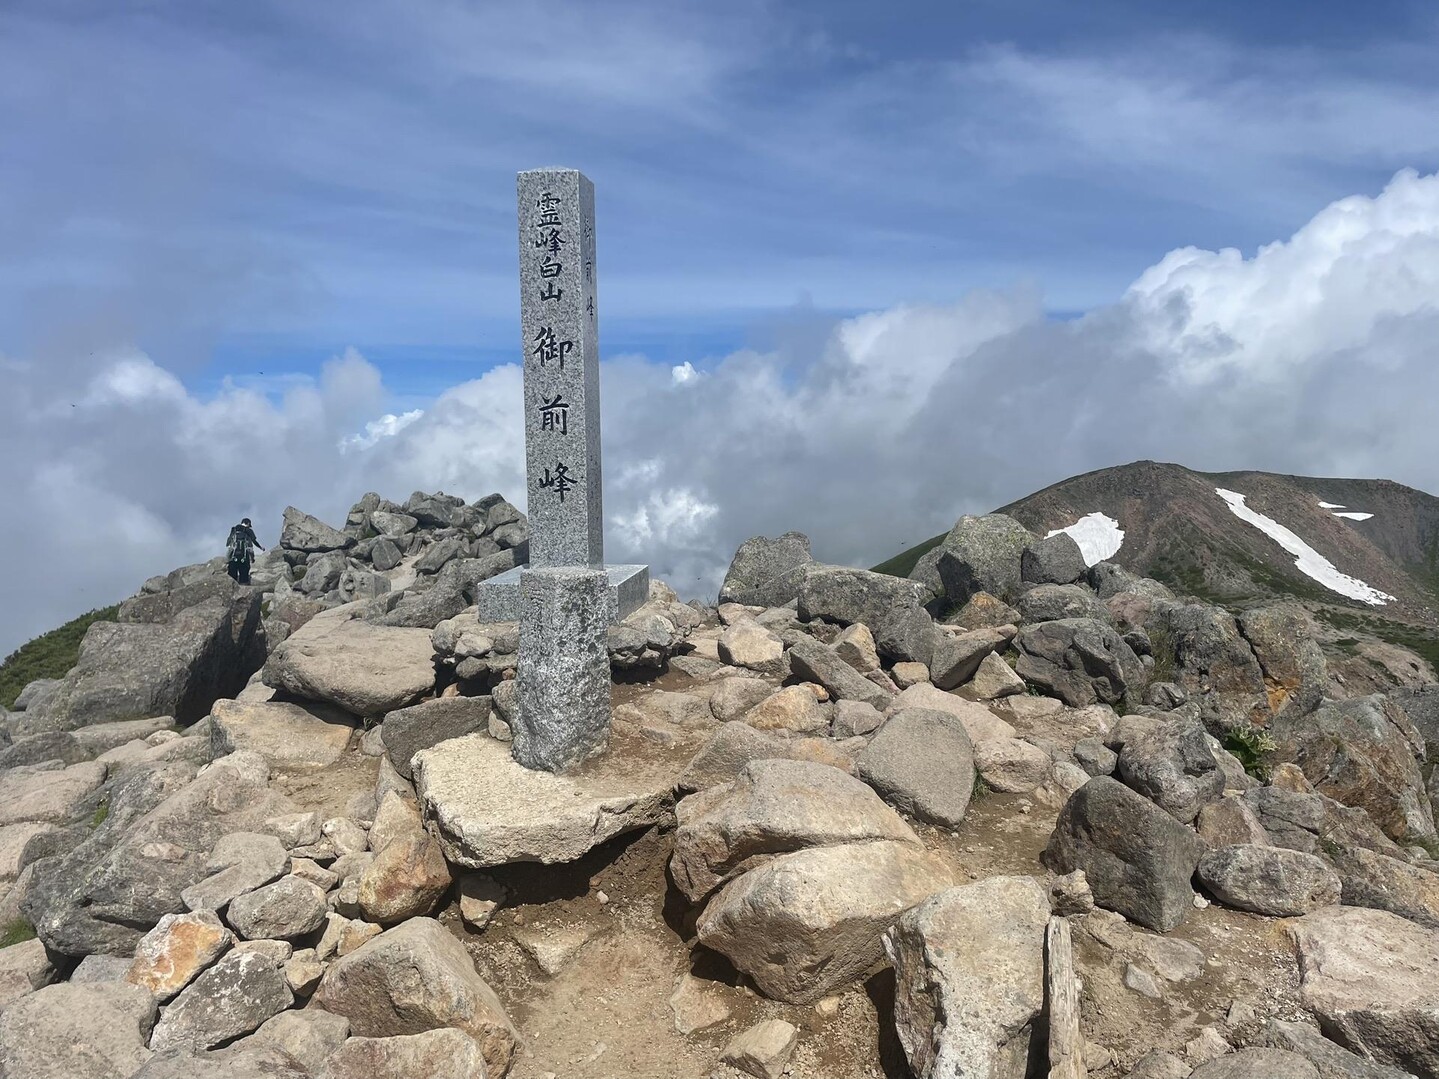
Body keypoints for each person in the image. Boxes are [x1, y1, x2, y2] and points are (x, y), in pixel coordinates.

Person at [226, 517, 266, 584]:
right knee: (244, 579)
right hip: (244, 557)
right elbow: (252, 543)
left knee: (232, 578)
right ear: (248, 524)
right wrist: (259, 548)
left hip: (233, 557)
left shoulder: (234, 530)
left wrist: (228, 559)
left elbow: (228, 544)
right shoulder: (249, 530)